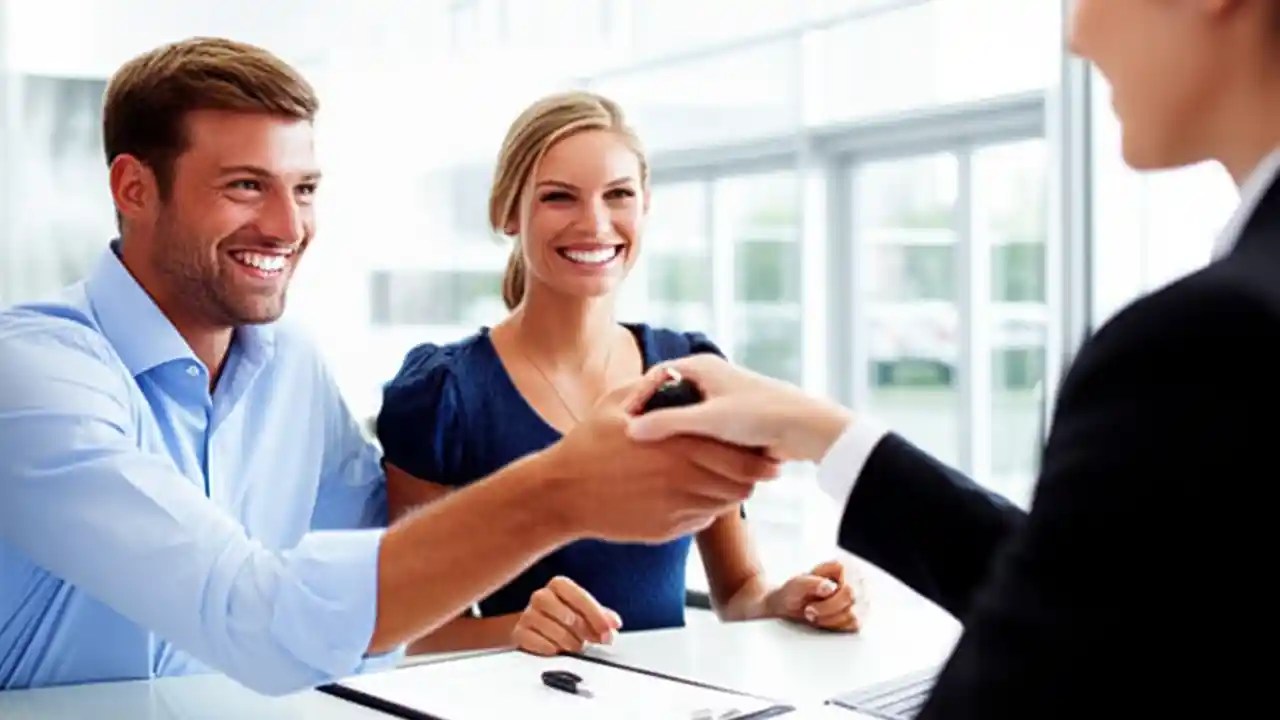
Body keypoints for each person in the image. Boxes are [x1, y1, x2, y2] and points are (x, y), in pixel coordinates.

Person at [0, 37, 777, 695]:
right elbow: (256, 618)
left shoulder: (287, 364)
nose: (286, 226)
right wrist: (563, 489)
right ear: (134, 188)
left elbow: (384, 578)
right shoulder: (34, 374)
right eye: (244, 187)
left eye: (303, 189)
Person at [625, 1, 1280, 716]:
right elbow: (1101, 584)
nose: (1078, 33)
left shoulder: (1208, 336)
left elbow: (1059, 649)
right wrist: (824, 435)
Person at [376, 91, 863, 657]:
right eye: (559, 197)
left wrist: (788, 601)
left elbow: (739, 591)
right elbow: (414, 634)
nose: (595, 223)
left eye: (619, 195)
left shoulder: (690, 376)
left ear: (645, 206)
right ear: (508, 212)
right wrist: (516, 632)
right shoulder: (441, 397)